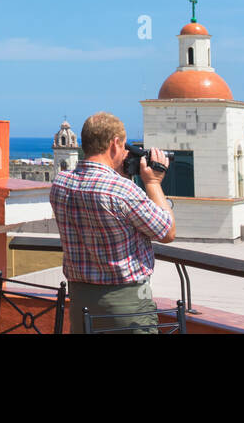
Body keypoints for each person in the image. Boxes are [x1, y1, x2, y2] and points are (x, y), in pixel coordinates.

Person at [49, 111, 176, 333]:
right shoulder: (122, 191)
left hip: (80, 300)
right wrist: (153, 182)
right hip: (126, 304)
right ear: (115, 144)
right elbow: (167, 232)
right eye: (125, 146)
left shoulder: (61, 184)